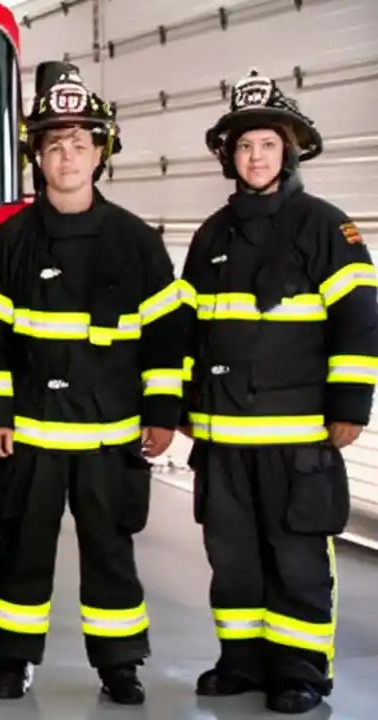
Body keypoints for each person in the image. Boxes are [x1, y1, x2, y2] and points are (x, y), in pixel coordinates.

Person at [0, 62, 188, 705]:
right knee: (22, 550)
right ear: (36, 158)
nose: (66, 156)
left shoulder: (137, 244)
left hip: (110, 434)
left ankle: (119, 664)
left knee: (110, 552)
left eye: (79, 143)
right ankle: (13, 659)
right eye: (53, 144)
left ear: (101, 153)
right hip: (32, 435)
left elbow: (164, 337)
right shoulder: (7, 243)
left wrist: (163, 412)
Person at [182, 70, 376, 715]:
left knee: (296, 558)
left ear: (289, 150)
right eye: (243, 147)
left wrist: (350, 404)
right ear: (229, 157)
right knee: (231, 556)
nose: (255, 157)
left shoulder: (327, 227)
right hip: (223, 440)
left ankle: (300, 672)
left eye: (266, 144)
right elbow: (187, 330)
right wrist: (182, 405)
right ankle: (241, 661)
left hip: (298, 437)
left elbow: (359, 317)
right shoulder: (212, 235)